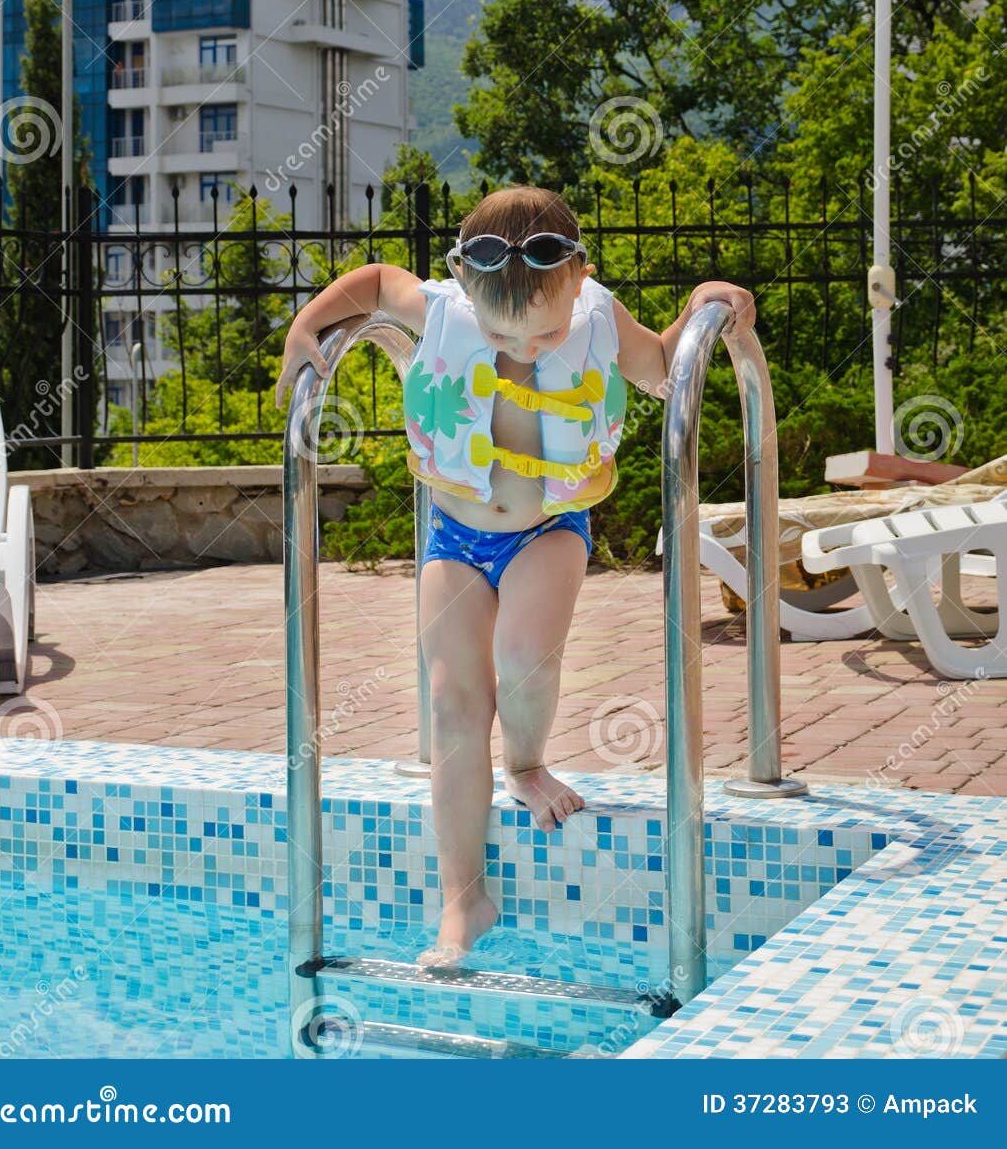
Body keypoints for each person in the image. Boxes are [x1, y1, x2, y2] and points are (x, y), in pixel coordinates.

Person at [276, 185, 755, 966]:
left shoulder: (597, 313)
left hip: (548, 529)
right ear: (466, 287)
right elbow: (369, 281)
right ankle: (464, 898)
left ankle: (526, 761)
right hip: (454, 537)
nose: (528, 348)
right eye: (504, 333)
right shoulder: (434, 307)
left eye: (549, 332)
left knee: (525, 656)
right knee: (453, 702)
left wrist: (707, 301)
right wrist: (307, 326)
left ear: (580, 278)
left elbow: (664, 366)